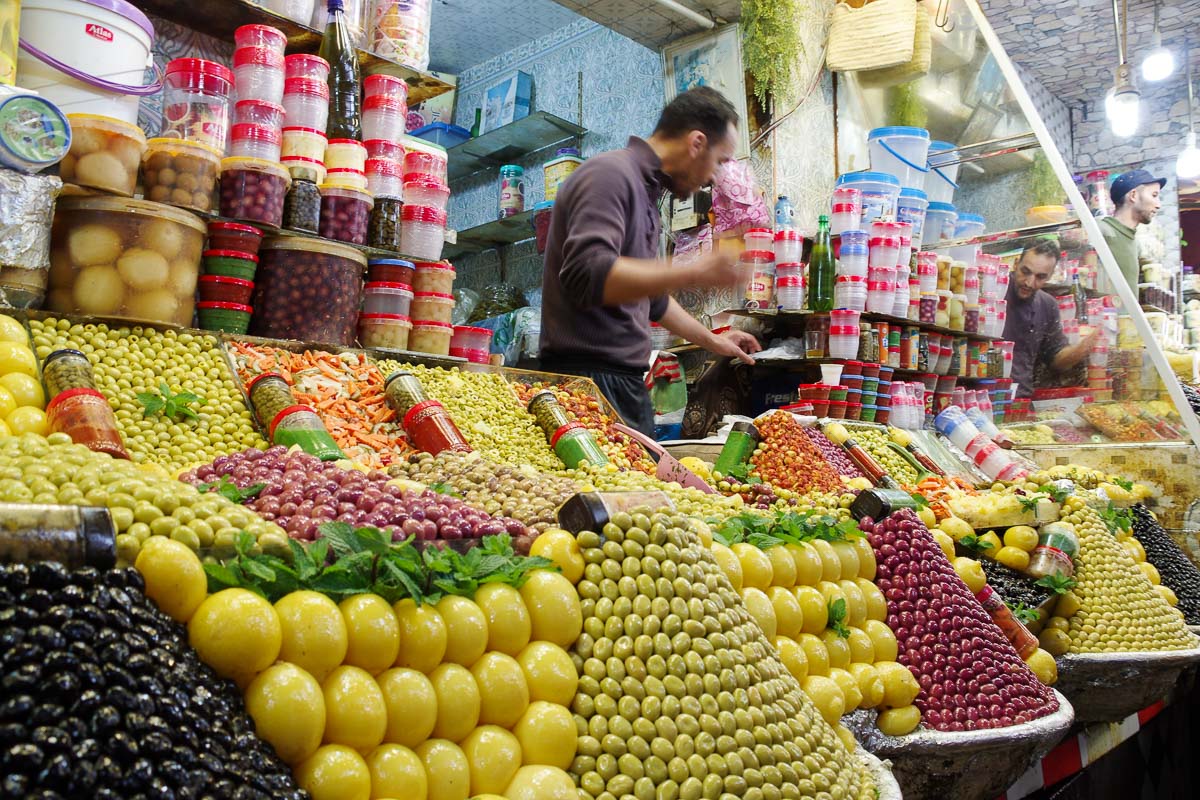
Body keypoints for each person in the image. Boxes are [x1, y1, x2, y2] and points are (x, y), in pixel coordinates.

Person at [538, 86, 762, 435]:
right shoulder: (609, 175)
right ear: (697, 143)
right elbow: (588, 273)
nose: (714, 178)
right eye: (719, 161)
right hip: (586, 384)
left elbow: (653, 300)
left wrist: (713, 340)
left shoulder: (647, 193)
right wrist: (691, 270)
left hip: (621, 383)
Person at [1002, 240, 1098, 398]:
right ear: (1016, 264)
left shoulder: (1047, 305)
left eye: (1040, 277)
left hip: (1021, 398)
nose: (1029, 282)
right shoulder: (994, 291)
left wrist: (1080, 350)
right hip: (983, 397)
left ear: (1050, 276)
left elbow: (1055, 357)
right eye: (1025, 272)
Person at [1099, 168, 1166, 292]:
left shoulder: (1135, 243)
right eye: (1154, 195)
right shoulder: (1101, 231)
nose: (1158, 205)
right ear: (1133, 195)